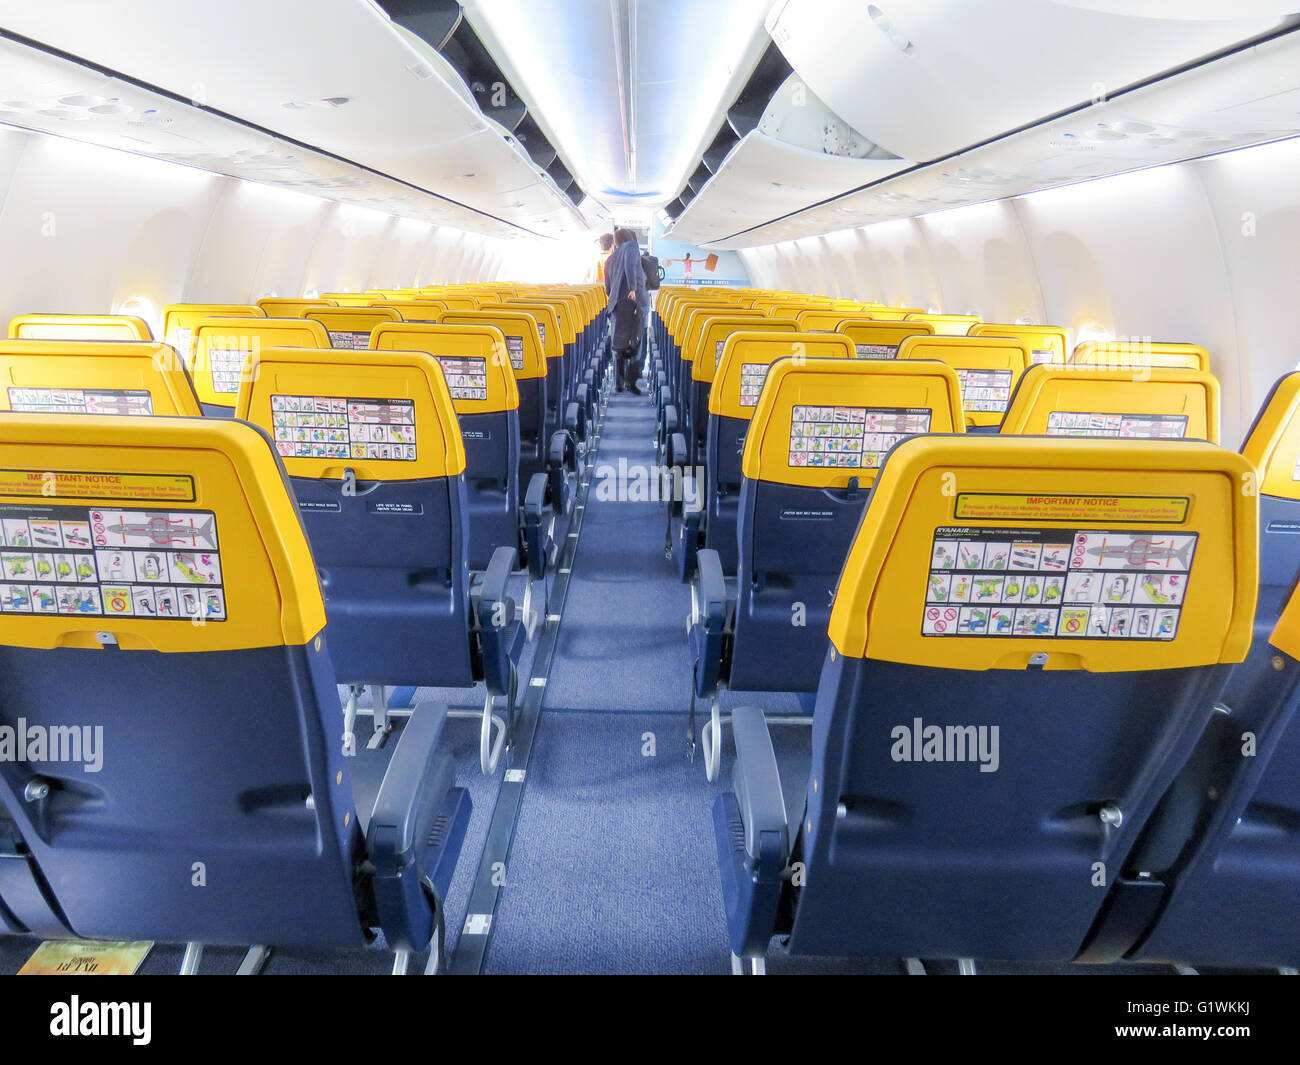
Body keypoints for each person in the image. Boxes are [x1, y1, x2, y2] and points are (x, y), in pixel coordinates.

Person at [604, 227, 647, 395]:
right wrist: (633, 288)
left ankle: (619, 382)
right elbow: (630, 267)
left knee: (618, 344)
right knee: (636, 341)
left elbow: (608, 287)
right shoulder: (632, 248)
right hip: (635, 304)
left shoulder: (610, 260)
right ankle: (632, 380)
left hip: (616, 306)